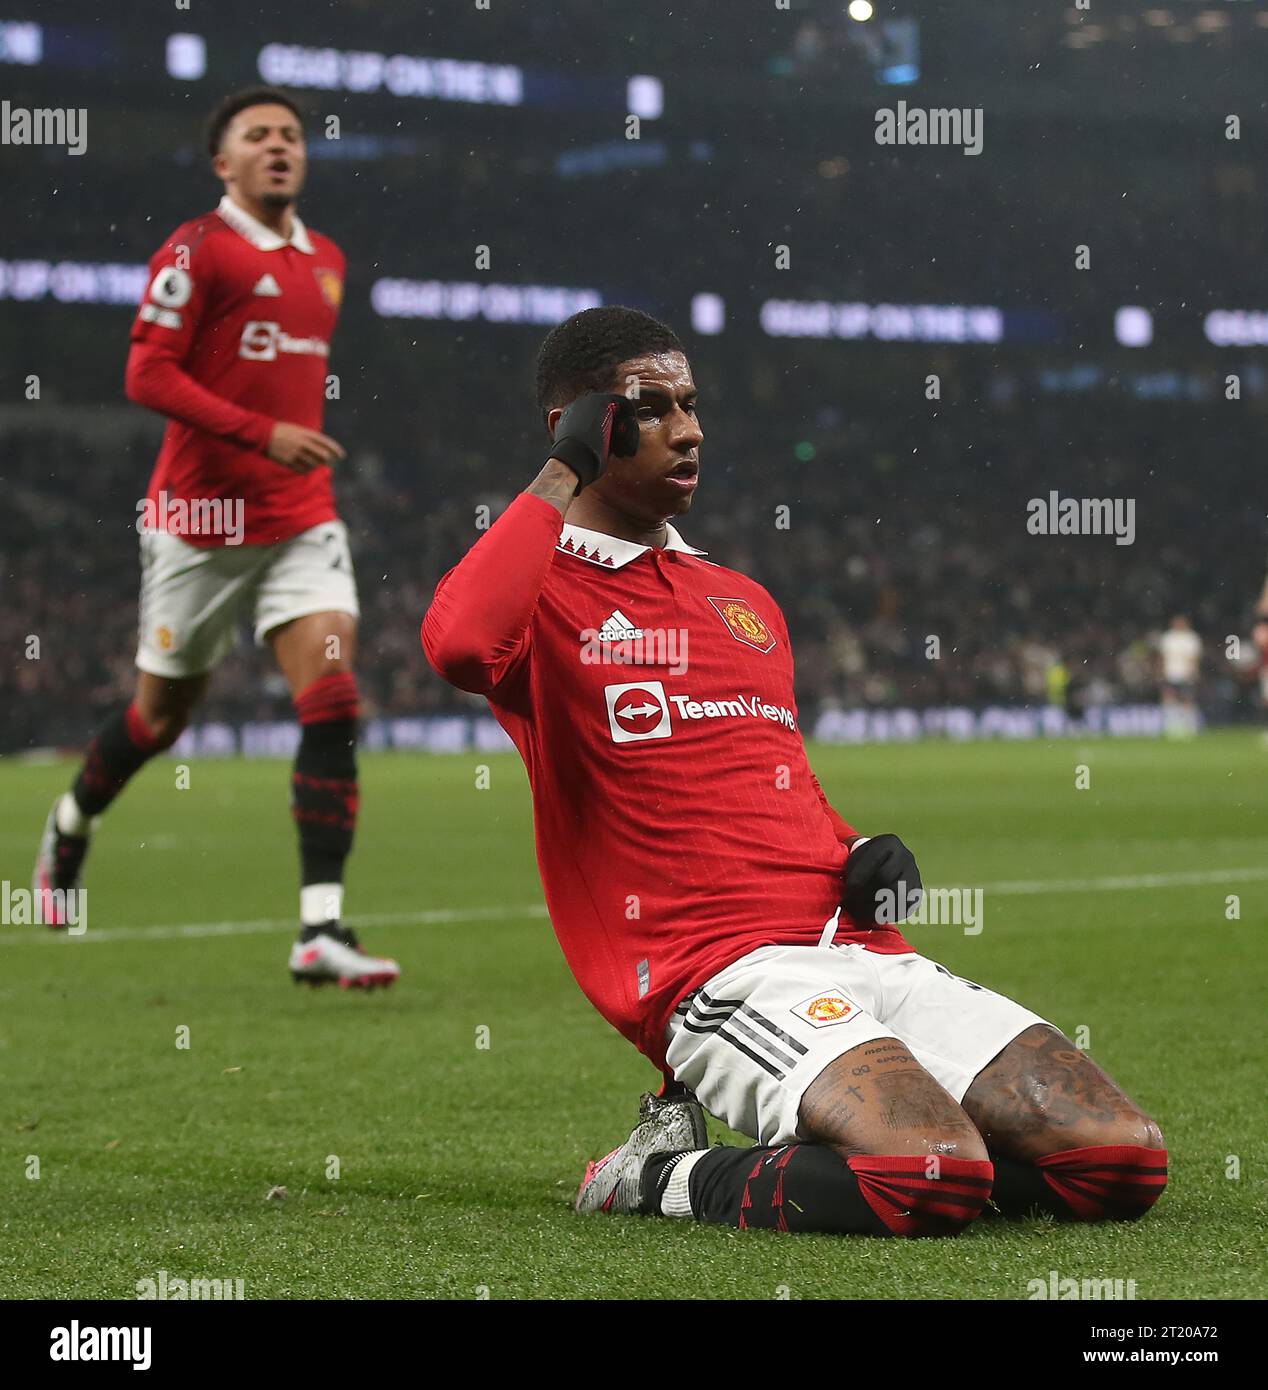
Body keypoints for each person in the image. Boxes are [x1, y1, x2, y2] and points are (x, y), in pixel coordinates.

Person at [422, 305, 1165, 1237]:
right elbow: (458, 645)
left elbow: (773, 781)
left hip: (861, 946)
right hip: (721, 972)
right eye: (652, 409)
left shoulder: (743, 602)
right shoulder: (540, 593)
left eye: (692, 403)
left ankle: (938, 1175)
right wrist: (564, 469)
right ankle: (656, 1173)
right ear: (581, 424)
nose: (690, 429)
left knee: (1121, 1161)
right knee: (921, 1178)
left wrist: (858, 846)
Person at [33, 86, 398, 989]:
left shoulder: (328, 259)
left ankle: (319, 930)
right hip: (198, 523)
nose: (279, 146)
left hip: (300, 518)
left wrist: (285, 452)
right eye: (257, 136)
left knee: (335, 701)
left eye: (291, 135)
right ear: (222, 163)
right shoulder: (196, 249)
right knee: (160, 719)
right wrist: (259, 432)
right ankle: (70, 825)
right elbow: (145, 372)